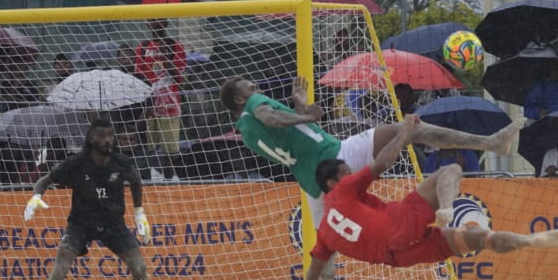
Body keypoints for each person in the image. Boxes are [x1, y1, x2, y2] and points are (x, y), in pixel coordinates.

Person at [305, 116, 558, 280]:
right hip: (400, 222)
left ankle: (529, 241)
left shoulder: (325, 232)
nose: (352, 173)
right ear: (332, 183)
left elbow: (313, 278)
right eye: (347, 172)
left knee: (478, 238)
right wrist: (405, 132)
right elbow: (382, 163)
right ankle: (448, 209)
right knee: (451, 169)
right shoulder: (343, 189)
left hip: (398, 257)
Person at [219, 76, 522, 226]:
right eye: (249, 88)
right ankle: (491, 143)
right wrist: (305, 116)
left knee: (325, 247)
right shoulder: (256, 107)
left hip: (313, 185)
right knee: (410, 129)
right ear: (239, 100)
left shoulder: (246, 134)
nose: (256, 88)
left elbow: (292, 138)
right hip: (337, 156)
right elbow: (272, 118)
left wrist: (300, 104)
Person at [23, 118, 152, 280]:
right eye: (102, 135)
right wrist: (36, 196)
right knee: (58, 272)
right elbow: (44, 181)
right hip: (80, 224)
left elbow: (136, 182)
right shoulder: (76, 162)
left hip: (113, 224)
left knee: (139, 268)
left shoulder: (122, 162)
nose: (107, 140)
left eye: (110, 135)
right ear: (91, 138)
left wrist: (139, 212)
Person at [135, 19, 186, 180]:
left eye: (159, 19)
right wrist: (147, 102)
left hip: (171, 105)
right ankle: (149, 178)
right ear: (147, 23)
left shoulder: (175, 46)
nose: (155, 23)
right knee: (148, 146)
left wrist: (165, 56)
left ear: (166, 23)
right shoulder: (143, 47)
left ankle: (168, 180)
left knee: (169, 150)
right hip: (150, 103)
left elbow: (180, 79)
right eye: (152, 20)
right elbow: (139, 77)